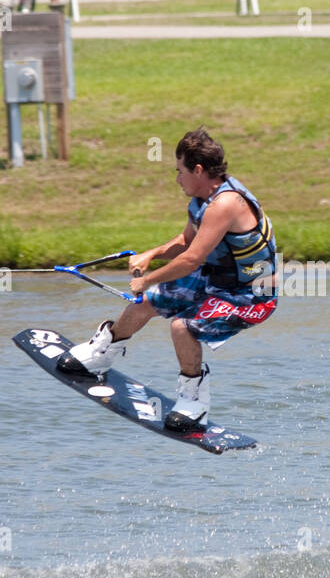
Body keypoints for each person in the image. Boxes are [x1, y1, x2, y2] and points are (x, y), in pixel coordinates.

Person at [57, 128, 278, 431]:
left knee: (181, 328)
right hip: (216, 280)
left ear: (198, 170)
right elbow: (186, 242)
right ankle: (102, 355)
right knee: (145, 304)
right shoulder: (201, 201)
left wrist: (147, 279)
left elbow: (191, 260)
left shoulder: (225, 204)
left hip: (250, 294)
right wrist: (151, 254)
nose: (177, 179)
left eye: (180, 171)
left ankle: (194, 403)